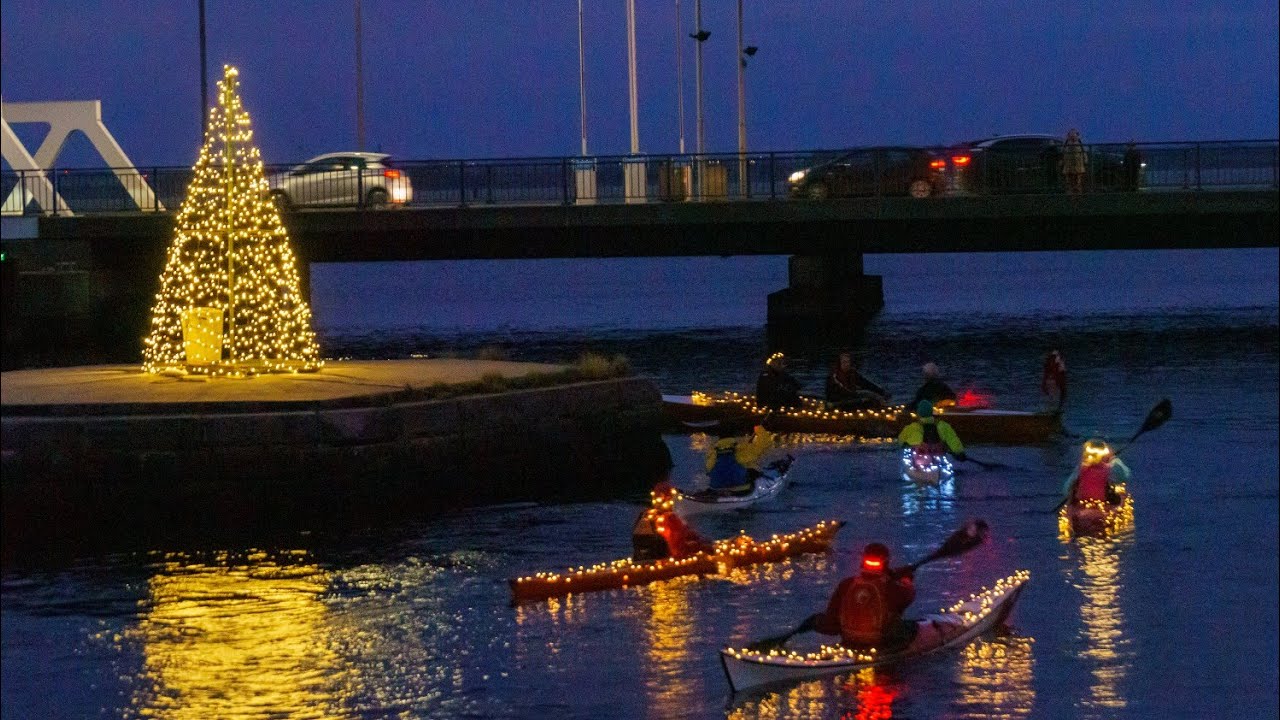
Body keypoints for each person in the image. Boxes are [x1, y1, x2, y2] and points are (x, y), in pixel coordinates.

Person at [806, 543, 917, 649]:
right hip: (881, 642)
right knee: (912, 627)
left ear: (863, 561)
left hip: (849, 639)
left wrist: (815, 622)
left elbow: (831, 621)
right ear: (886, 563)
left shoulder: (846, 584)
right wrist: (906, 579)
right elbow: (909, 596)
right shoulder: (891, 587)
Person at [632, 481, 715, 561]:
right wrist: (701, 544)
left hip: (641, 557)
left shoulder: (644, 514)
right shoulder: (669, 518)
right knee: (706, 546)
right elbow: (680, 543)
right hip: (670, 556)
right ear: (668, 498)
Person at [704, 424, 776, 495]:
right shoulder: (742, 450)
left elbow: (708, 468)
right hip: (741, 488)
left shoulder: (712, 453)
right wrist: (758, 428)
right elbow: (765, 443)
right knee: (753, 472)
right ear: (733, 435)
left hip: (717, 488)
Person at [1061, 438, 1132, 506]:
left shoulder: (1081, 468)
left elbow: (1067, 488)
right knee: (1120, 496)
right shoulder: (1109, 468)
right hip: (1104, 502)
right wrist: (1114, 459)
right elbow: (1124, 476)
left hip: (1082, 501)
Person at [898, 399, 967, 461]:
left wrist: (903, 445)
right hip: (938, 458)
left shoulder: (912, 427)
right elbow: (953, 439)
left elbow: (900, 441)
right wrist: (959, 452)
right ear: (931, 412)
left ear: (918, 414)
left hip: (919, 460)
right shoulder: (943, 425)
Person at [825, 350, 891, 410]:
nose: (847, 364)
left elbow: (865, 383)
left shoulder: (852, 373)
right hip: (839, 401)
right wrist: (858, 396)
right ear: (839, 364)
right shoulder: (834, 377)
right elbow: (838, 393)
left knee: (872, 395)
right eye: (844, 362)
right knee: (867, 399)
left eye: (848, 362)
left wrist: (881, 392)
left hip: (852, 396)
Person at [1062, 128, 1088, 195]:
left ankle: (1078, 192)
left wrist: (1085, 159)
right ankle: (1070, 192)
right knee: (1069, 179)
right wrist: (1062, 160)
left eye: (1074, 134)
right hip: (1069, 164)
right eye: (1071, 134)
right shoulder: (1066, 143)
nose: (1073, 136)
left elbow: (1083, 151)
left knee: (1078, 179)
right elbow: (1063, 152)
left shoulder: (1079, 142)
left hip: (1078, 164)